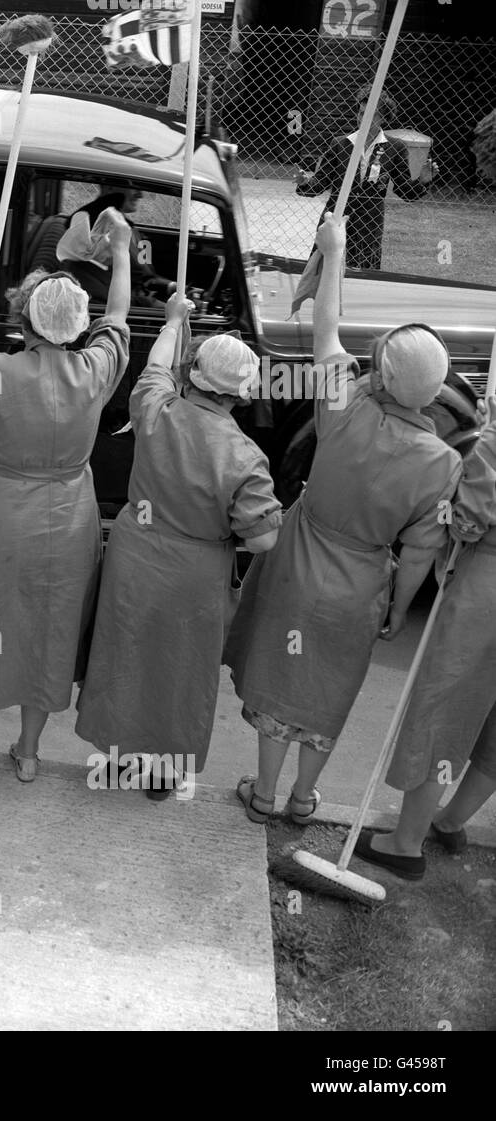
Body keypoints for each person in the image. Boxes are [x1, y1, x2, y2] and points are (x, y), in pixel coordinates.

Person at [224, 212, 461, 824]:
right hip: (361, 583)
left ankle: (266, 793)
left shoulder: (344, 405)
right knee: (327, 689)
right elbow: (416, 554)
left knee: (281, 675)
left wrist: (334, 250)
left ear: (378, 373)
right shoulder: (440, 463)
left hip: (297, 561)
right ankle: (305, 799)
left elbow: (326, 330)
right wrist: (396, 607)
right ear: (435, 394)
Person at [0, 212, 133, 782]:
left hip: (3, 510)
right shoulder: (96, 371)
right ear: (79, 325)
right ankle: (27, 752)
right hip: (69, 515)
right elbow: (118, 318)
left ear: (23, 318)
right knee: (51, 626)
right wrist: (120, 250)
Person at [76, 295, 282, 797]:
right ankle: (166, 770)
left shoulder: (154, 407)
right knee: (180, 667)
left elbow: (156, 363)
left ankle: (119, 757)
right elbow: (264, 537)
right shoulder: (244, 456)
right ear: (244, 392)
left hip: (135, 554)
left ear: (194, 372)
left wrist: (173, 321)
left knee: (124, 652)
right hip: (195, 573)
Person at [356, 387, 496, 880]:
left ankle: (406, 843)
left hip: (488, 592)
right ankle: (451, 821)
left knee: (448, 711)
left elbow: (470, 521)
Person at [296, 87, 433, 271]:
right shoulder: (340, 144)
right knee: (320, 274)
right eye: (361, 113)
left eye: (371, 114)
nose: (363, 118)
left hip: (369, 228)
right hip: (335, 221)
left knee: (363, 280)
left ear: (384, 117)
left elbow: (405, 191)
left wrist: (423, 181)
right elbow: (320, 183)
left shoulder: (395, 148)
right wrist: (306, 183)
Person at [29, 188, 171, 306]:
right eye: (133, 187)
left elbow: (146, 275)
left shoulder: (131, 229)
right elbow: (128, 298)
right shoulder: (95, 226)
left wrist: (170, 286)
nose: (141, 194)